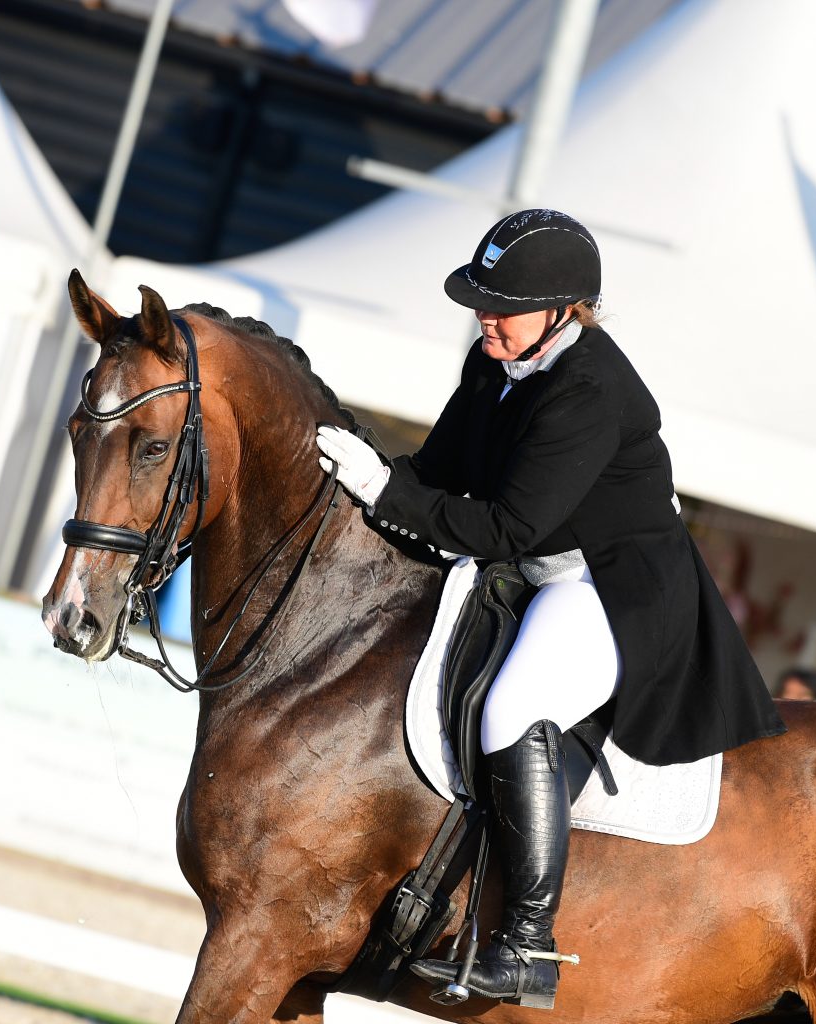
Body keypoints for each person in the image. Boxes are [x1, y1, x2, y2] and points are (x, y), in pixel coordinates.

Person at [315, 209, 786, 1008]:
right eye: (481, 303)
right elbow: (437, 471)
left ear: (565, 310)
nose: (485, 319)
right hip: (535, 572)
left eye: (505, 308)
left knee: (513, 708)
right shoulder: (494, 360)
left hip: (613, 588)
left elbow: (507, 527)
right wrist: (356, 482)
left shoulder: (590, 389)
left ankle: (528, 942)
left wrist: (385, 491)